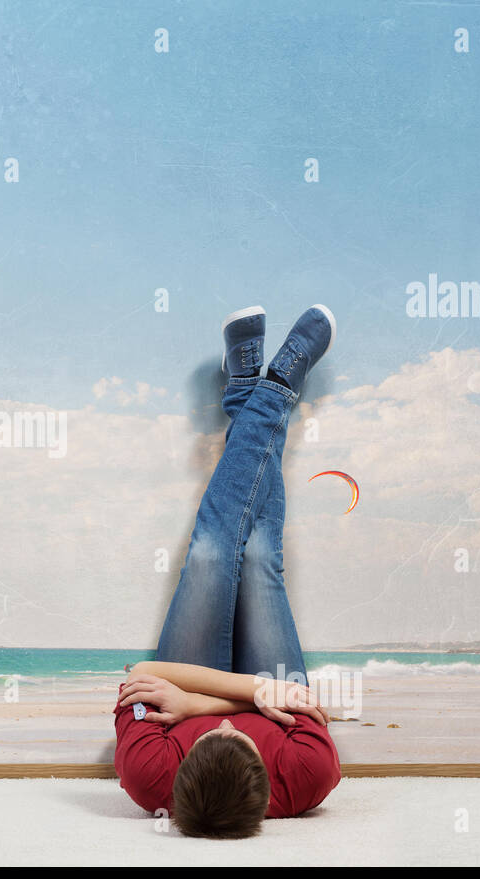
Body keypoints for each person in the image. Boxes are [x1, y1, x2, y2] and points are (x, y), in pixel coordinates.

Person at [113, 305, 342, 838]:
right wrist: (232, 697)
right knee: (259, 555)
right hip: (262, 686)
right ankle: (263, 390)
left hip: (249, 688)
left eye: (205, 732)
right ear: (270, 786)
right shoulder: (307, 775)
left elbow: (139, 676)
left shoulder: (151, 778)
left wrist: (220, 698)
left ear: (181, 767)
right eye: (237, 733)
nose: (222, 722)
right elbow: (288, 704)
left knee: (214, 555)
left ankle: (266, 388)